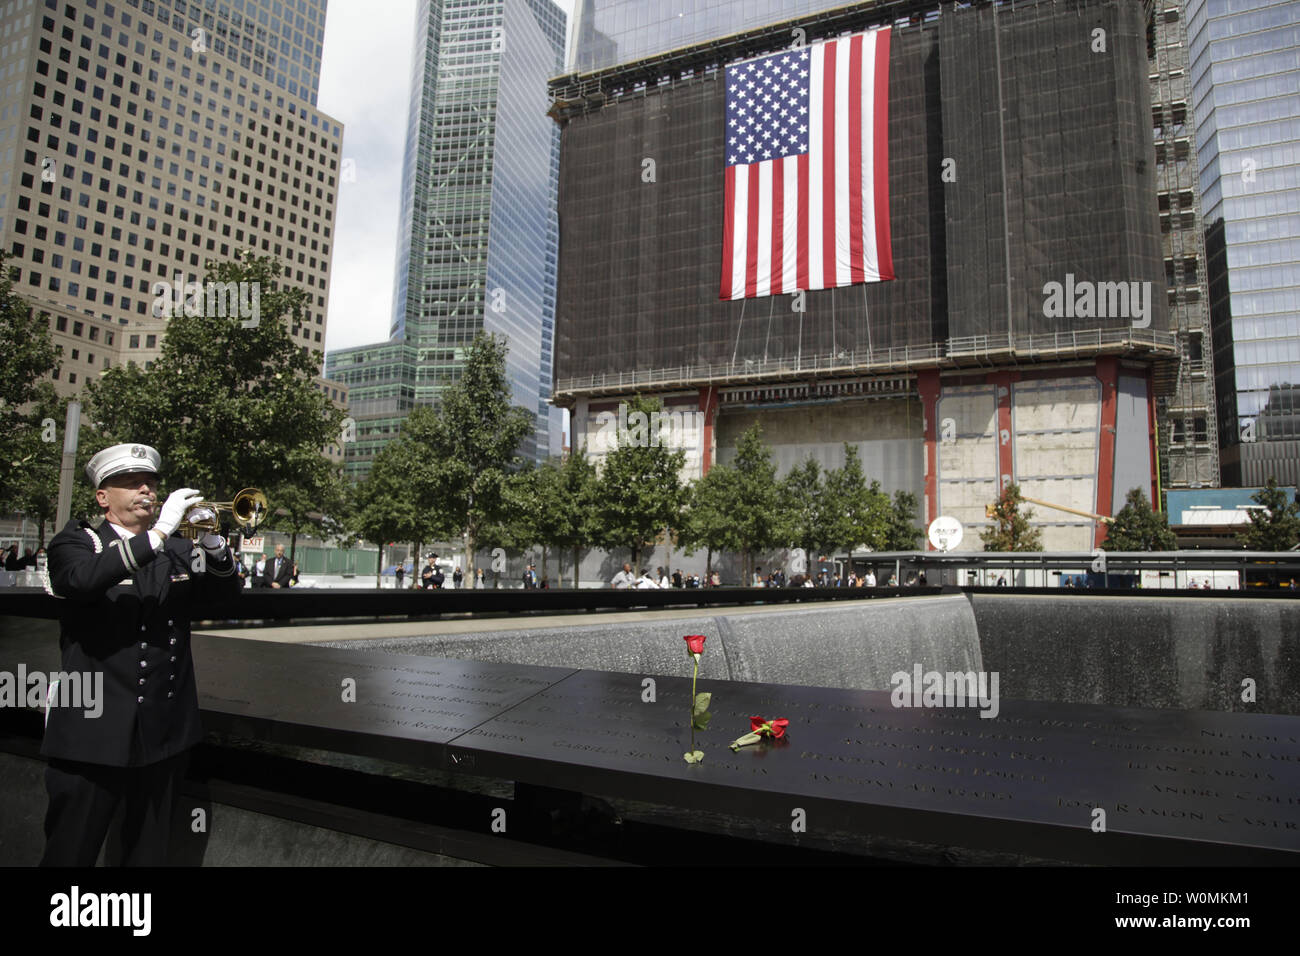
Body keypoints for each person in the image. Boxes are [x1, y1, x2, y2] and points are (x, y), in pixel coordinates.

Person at [40, 442, 240, 865]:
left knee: (147, 855)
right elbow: (79, 581)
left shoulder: (179, 550)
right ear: (102, 497)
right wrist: (159, 533)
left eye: (149, 482)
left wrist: (215, 544)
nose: (145, 491)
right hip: (90, 734)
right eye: (130, 484)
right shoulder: (79, 542)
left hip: (163, 733)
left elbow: (225, 597)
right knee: (70, 852)